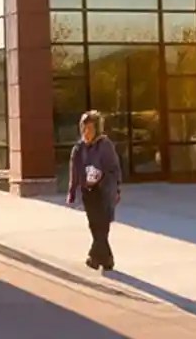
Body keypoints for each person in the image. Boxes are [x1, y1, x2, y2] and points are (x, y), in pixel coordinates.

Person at [66, 110, 122, 271]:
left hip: (104, 190)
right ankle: (106, 259)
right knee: (94, 225)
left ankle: (94, 256)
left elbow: (114, 168)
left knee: (103, 225)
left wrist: (116, 187)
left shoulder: (105, 145)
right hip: (88, 191)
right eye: (84, 128)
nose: (87, 132)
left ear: (97, 129)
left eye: (90, 128)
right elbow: (74, 171)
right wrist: (72, 192)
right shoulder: (78, 149)